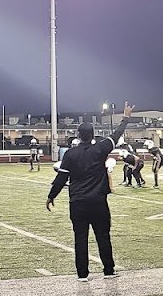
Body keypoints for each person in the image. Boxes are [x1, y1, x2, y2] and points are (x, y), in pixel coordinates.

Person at [46, 102, 134, 281]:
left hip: (77, 202)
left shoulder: (70, 154)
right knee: (103, 236)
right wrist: (125, 117)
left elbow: (61, 178)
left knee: (80, 238)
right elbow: (116, 135)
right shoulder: (100, 149)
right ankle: (108, 270)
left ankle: (82, 274)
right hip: (98, 201)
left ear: (78, 135)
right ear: (93, 135)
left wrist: (51, 196)